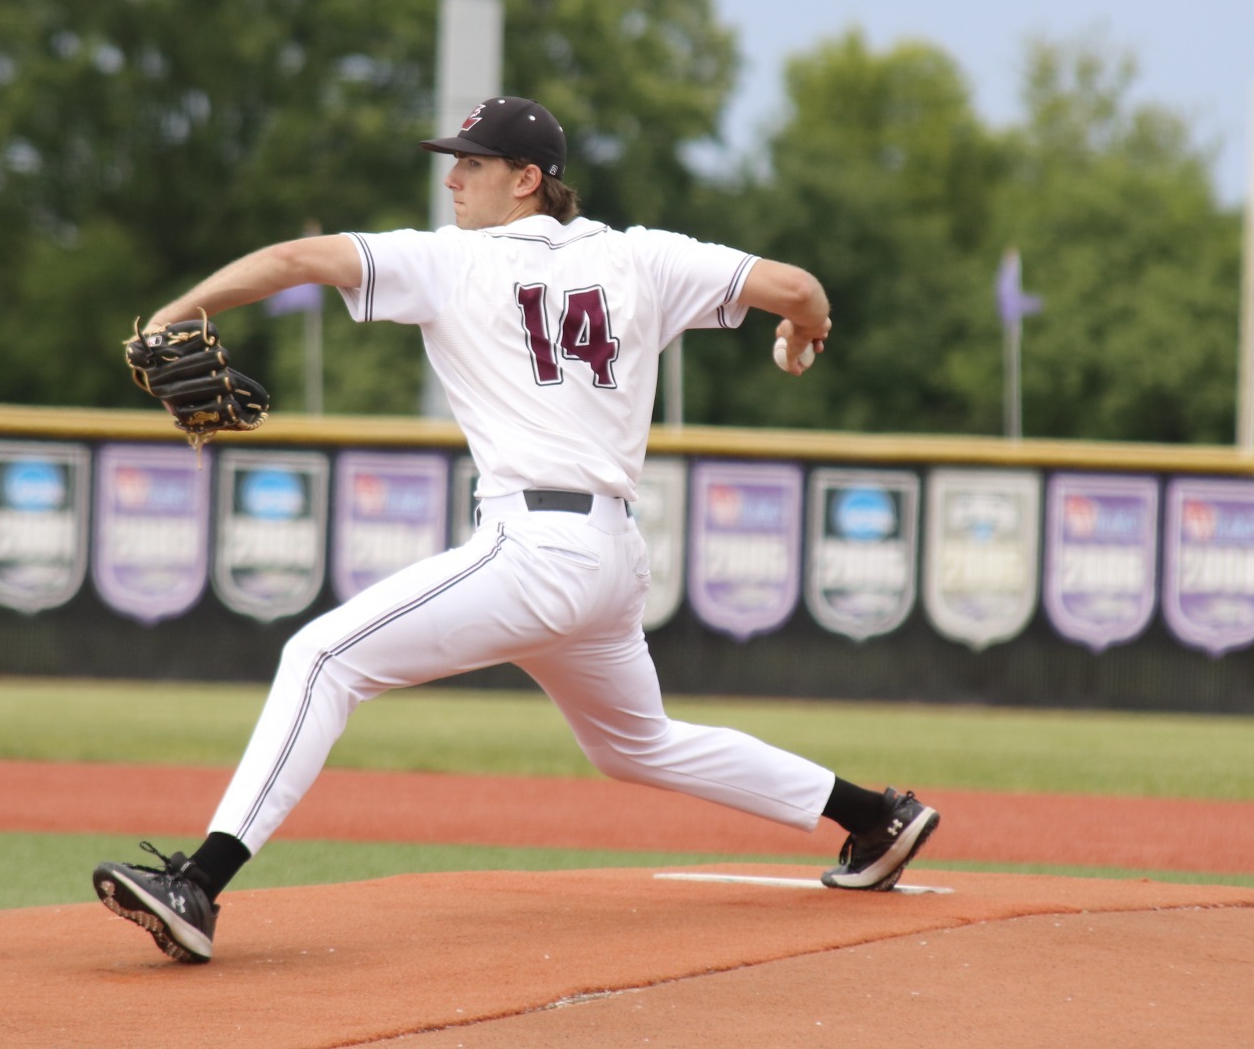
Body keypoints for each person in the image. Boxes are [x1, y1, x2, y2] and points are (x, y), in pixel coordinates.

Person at [93, 96, 941, 963]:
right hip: (609, 559)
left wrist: (171, 315)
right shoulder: (642, 254)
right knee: (634, 744)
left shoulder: (450, 261)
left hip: (535, 551)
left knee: (322, 657)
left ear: (527, 179)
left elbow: (291, 258)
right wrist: (804, 334)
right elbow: (798, 288)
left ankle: (197, 882)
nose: (453, 177)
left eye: (473, 163)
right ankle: (875, 817)